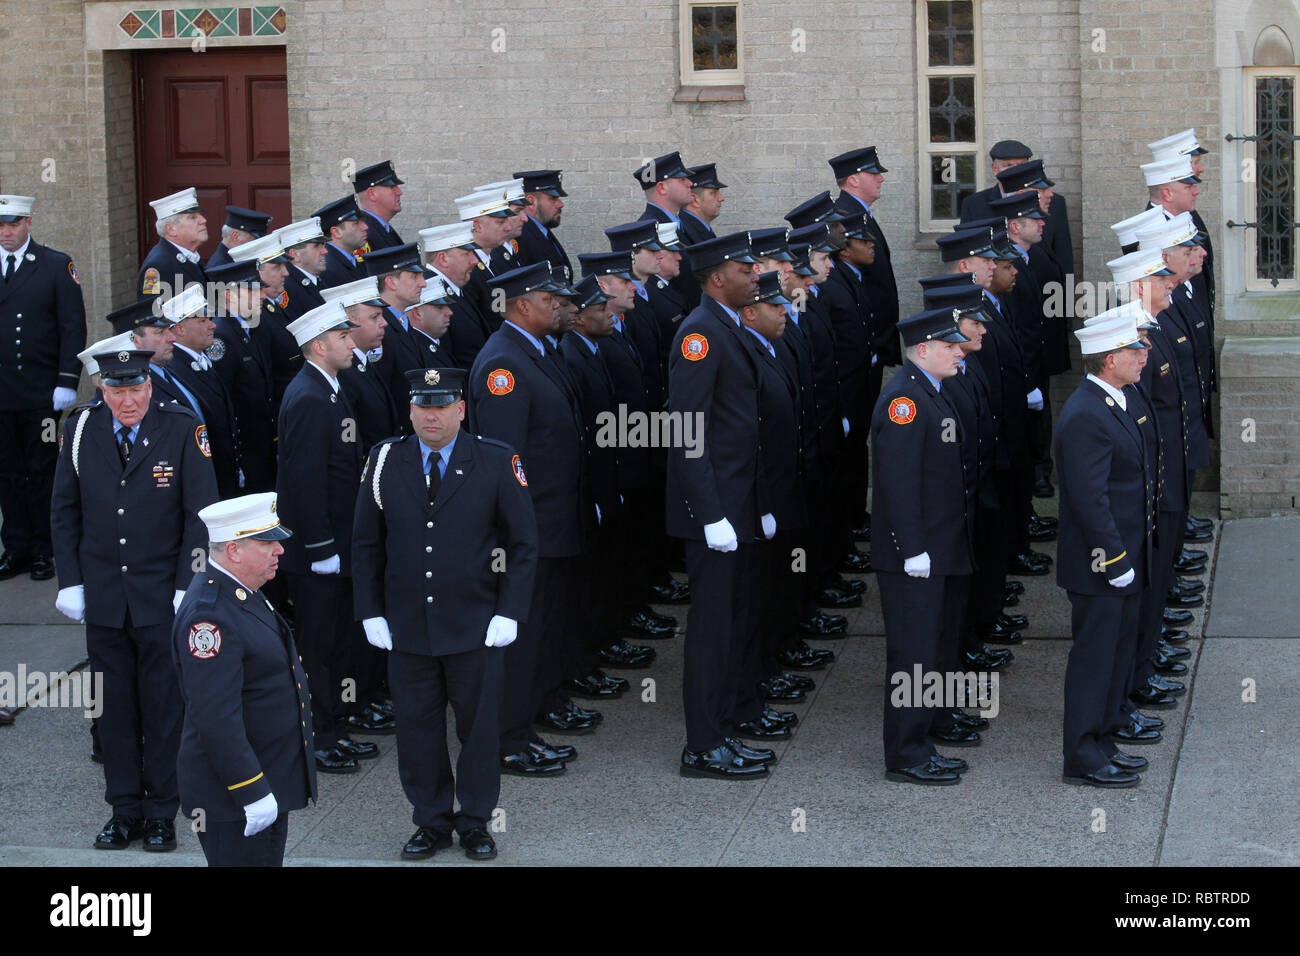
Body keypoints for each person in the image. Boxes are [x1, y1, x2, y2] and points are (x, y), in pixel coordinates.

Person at [353, 368, 538, 861]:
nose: (430, 416)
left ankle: (475, 821)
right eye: (422, 407)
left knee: (478, 731)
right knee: (416, 730)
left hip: (475, 623)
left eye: (441, 406)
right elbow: (367, 543)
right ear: (410, 411)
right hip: (408, 626)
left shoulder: (496, 460)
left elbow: (522, 544)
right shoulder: (385, 459)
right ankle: (431, 820)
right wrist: (371, 610)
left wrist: (510, 611)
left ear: (460, 409)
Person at [51, 348, 218, 849]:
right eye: (117, 390)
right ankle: (124, 809)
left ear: (150, 385)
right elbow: (64, 509)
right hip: (103, 596)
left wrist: (188, 586)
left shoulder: (182, 427)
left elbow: (200, 514)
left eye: (137, 389)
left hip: (159, 594)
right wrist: (70, 581)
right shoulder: (81, 429)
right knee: (113, 707)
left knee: (163, 705)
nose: (128, 400)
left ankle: (162, 810)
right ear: (102, 390)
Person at [468, 262, 591, 773]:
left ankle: (531, 718)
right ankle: (506, 739)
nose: (561, 306)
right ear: (522, 305)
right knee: (517, 638)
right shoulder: (503, 365)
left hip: (554, 521)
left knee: (541, 629)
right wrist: (516, 535)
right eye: (551, 300)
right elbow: (503, 458)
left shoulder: (538, 352)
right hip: (528, 527)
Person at [667, 231, 782, 779]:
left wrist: (755, 504)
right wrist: (710, 513)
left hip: (739, 503)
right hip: (714, 510)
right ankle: (702, 744)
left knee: (735, 621)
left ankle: (729, 723)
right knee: (712, 630)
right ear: (717, 276)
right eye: (744, 268)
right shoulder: (700, 334)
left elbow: (746, 429)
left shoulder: (728, 327)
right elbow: (688, 431)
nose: (754, 276)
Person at [173, 492, 315, 866]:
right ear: (234, 551)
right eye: (267, 543)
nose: (279, 551)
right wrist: (251, 792)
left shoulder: (243, 594)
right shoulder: (211, 617)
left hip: (262, 782)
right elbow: (215, 718)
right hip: (234, 799)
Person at [871, 308, 976, 786]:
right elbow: (896, 483)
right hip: (916, 555)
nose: (960, 351)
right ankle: (907, 754)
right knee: (913, 655)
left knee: (934, 647)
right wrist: (911, 548)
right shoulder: (904, 402)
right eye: (950, 345)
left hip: (941, 548)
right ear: (923, 350)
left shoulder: (931, 392)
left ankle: (927, 732)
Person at [277, 300, 380, 772]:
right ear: (320, 346)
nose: (351, 343)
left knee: (337, 643)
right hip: (320, 552)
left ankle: (336, 727)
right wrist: (319, 547)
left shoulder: (331, 389)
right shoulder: (309, 397)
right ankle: (318, 736)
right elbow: (302, 481)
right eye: (343, 337)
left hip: (338, 545)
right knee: (318, 649)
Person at [1055, 310, 1157, 788]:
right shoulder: (1086, 414)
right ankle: (1082, 756)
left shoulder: (1116, 399)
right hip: (1102, 563)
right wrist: (1114, 559)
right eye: (1136, 351)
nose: (1145, 356)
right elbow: (1089, 498)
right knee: (1095, 661)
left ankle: (1103, 741)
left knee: (1116, 656)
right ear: (1110, 359)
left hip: (1125, 555)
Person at [0, 193, 87, 582]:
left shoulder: (54, 265)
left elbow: (72, 327)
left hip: (41, 392)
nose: (6, 232)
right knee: (6, 472)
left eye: (13, 224)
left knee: (42, 471)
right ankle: (15, 547)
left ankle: (42, 549)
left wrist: (67, 380)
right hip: (2, 393)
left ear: (29, 223)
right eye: (0, 226)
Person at [138, 188, 208, 298]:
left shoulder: (191, 255)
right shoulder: (156, 266)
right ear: (171, 229)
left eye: (200, 215)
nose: (203, 220)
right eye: (192, 218)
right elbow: (151, 311)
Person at [511, 170, 572, 282]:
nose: (560, 204)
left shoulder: (542, 231)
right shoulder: (521, 235)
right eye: (553, 198)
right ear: (531, 201)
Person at [353, 160, 405, 253]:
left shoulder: (382, 228)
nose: (400, 192)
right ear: (372, 194)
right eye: (392, 187)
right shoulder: (363, 233)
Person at [206, 205, 272, 271]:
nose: (258, 243)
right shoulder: (219, 268)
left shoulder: (236, 258)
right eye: (255, 239)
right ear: (236, 236)